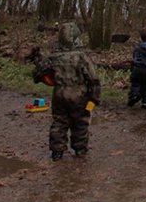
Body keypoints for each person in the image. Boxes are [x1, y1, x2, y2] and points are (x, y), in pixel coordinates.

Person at [32, 22, 101, 160]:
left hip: (59, 95)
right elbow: (93, 79)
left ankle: (57, 152)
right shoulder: (82, 57)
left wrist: (40, 63)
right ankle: (80, 149)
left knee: (59, 122)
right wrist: (94, 98)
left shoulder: (53, 57)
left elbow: (37, 74)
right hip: (79, 96)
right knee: (80, 122)